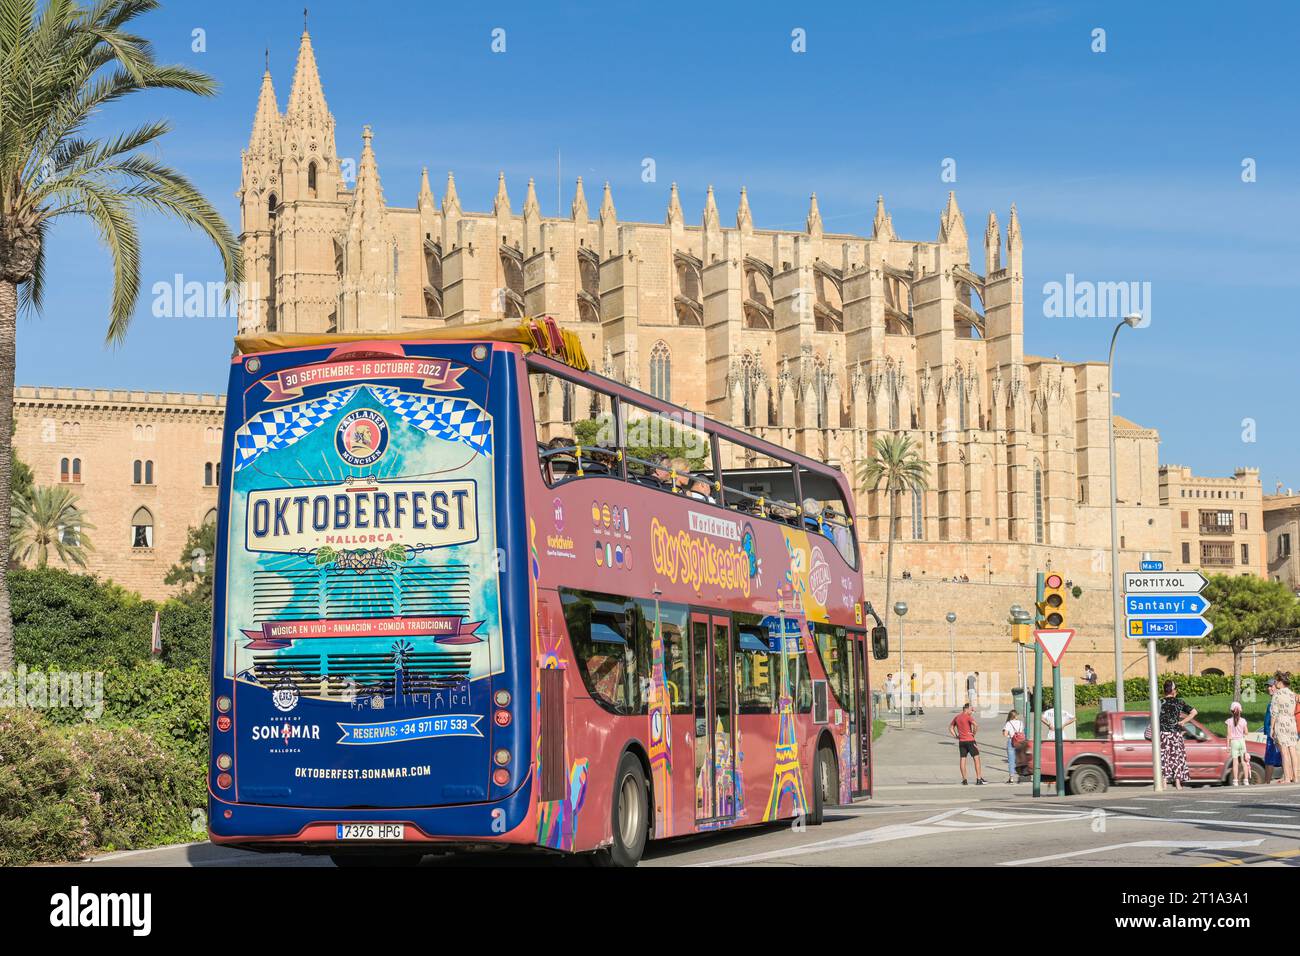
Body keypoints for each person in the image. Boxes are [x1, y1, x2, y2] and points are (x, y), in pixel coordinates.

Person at [1158, 680, 1196, 790]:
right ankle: (1178, 783)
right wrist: (1184, 722)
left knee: (1164, 758)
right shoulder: (1179, 702)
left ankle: (1164, 782)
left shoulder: (1160, 702)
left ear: (1164, 690)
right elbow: (1194, 712)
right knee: (1177, 758)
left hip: (1162, 734)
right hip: (1175, 734)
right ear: (1174, 691)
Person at [1270, 672, 1298, 784]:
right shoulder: (1292, 694)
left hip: (1281, 722)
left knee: (1284, 752)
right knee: (1293, 750)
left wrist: (1271, 728)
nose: (1275, 683)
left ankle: (1287, 777)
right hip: (1291, 722)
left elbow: (1274, 713)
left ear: (1281, 682)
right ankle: (1296, 777)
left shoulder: (1277, 695)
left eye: (1276, 681)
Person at [949, 703, 985, 785]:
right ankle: (979, 779)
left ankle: (964, 780)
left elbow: (950, 727)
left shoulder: (957, 717)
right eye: (971, 710)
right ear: (966, 709)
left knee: (963, 759)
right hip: (970, 740)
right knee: (976, 758)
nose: (972, 711)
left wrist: (956, 736)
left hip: (961, 741)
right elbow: (976, 725)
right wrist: (973, 733)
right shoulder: (968, 717)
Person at [1263, 677, 1284, 783]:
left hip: (1275, 734)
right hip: (1270, 734)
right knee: (1270, 759)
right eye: (1268, 686)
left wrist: (1272, 730)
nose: (1269, 688)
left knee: (1271, 759)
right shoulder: (1272, 701)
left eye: (1271, 686)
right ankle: (1267, 782)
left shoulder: (1277, 701)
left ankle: (1267, 782)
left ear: (1277, 687)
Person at [1225, 701, 1250, 786]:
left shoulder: (1229, 721)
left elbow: (1228, 735)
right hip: (1242, 742)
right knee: (1244, 762)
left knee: (1235, 762)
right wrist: (1242, 734)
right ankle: (1246, 780)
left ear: (1231, 711)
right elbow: (1246, 732)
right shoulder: (1243, 721)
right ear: (1240, 710)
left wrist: (1227, 746)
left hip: (1234, 743)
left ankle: (1235, 781)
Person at [1002, 709, 1025, 784]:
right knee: (1019, 760)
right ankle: (1021, 776)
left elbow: (1005, 734)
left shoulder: (1008, 723)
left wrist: (1010, 735)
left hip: (1011, 741)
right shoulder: (1021, 723)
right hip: (1020, 742)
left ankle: (1011, 778)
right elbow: (1021, 732)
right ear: (1015, 716)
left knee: (1011, 760)